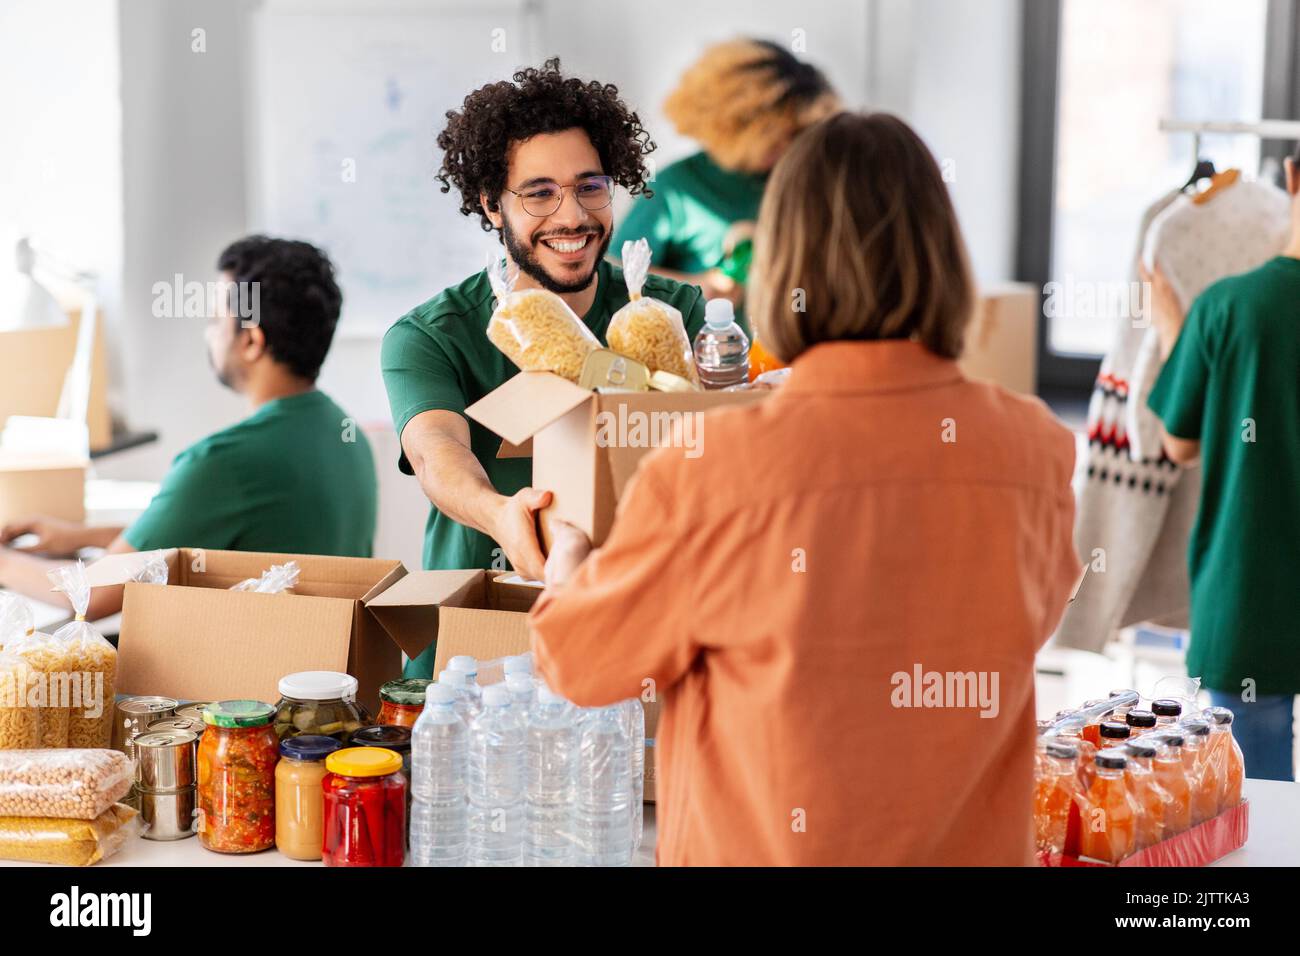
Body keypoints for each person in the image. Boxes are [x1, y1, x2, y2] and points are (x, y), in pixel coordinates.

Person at [529, 112, 1081, 866]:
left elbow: (581, 665)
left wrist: (569, 557)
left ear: (783, 263)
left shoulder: (712, 464)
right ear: (946, 256)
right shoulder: (1034, 449)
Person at [381, 59, 707, 679]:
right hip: (474, 643)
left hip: (637, 630)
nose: (572, 216)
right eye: (538, 193)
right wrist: (499, 514)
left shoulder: (670, 314)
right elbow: (435, 452)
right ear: (492, 206)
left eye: (590, 186)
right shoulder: (431, 335)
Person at [0, 236, 377, 619]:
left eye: (215, 320)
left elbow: (89, 596)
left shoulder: (224, 463)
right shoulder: (347, 434)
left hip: (248, 674)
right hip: (330, 672)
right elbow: (202, 542)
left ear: (250, 341)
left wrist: (4, 563)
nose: (208, 333)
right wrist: (84, 537)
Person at [1142, 153, 1300, 782]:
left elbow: (1177, 443)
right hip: (1251, 601)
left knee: (1258, 805)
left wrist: (1172, 331)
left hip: (1250, 601)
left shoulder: (1229, 307)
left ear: (1292, 174)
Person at [611, 38, 838, 332]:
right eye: (775, 135)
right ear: (737, 125)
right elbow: (615, 273)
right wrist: (696, 287)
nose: (786, 148)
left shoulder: (806, 179)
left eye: (796, 134)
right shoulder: (676, 187)